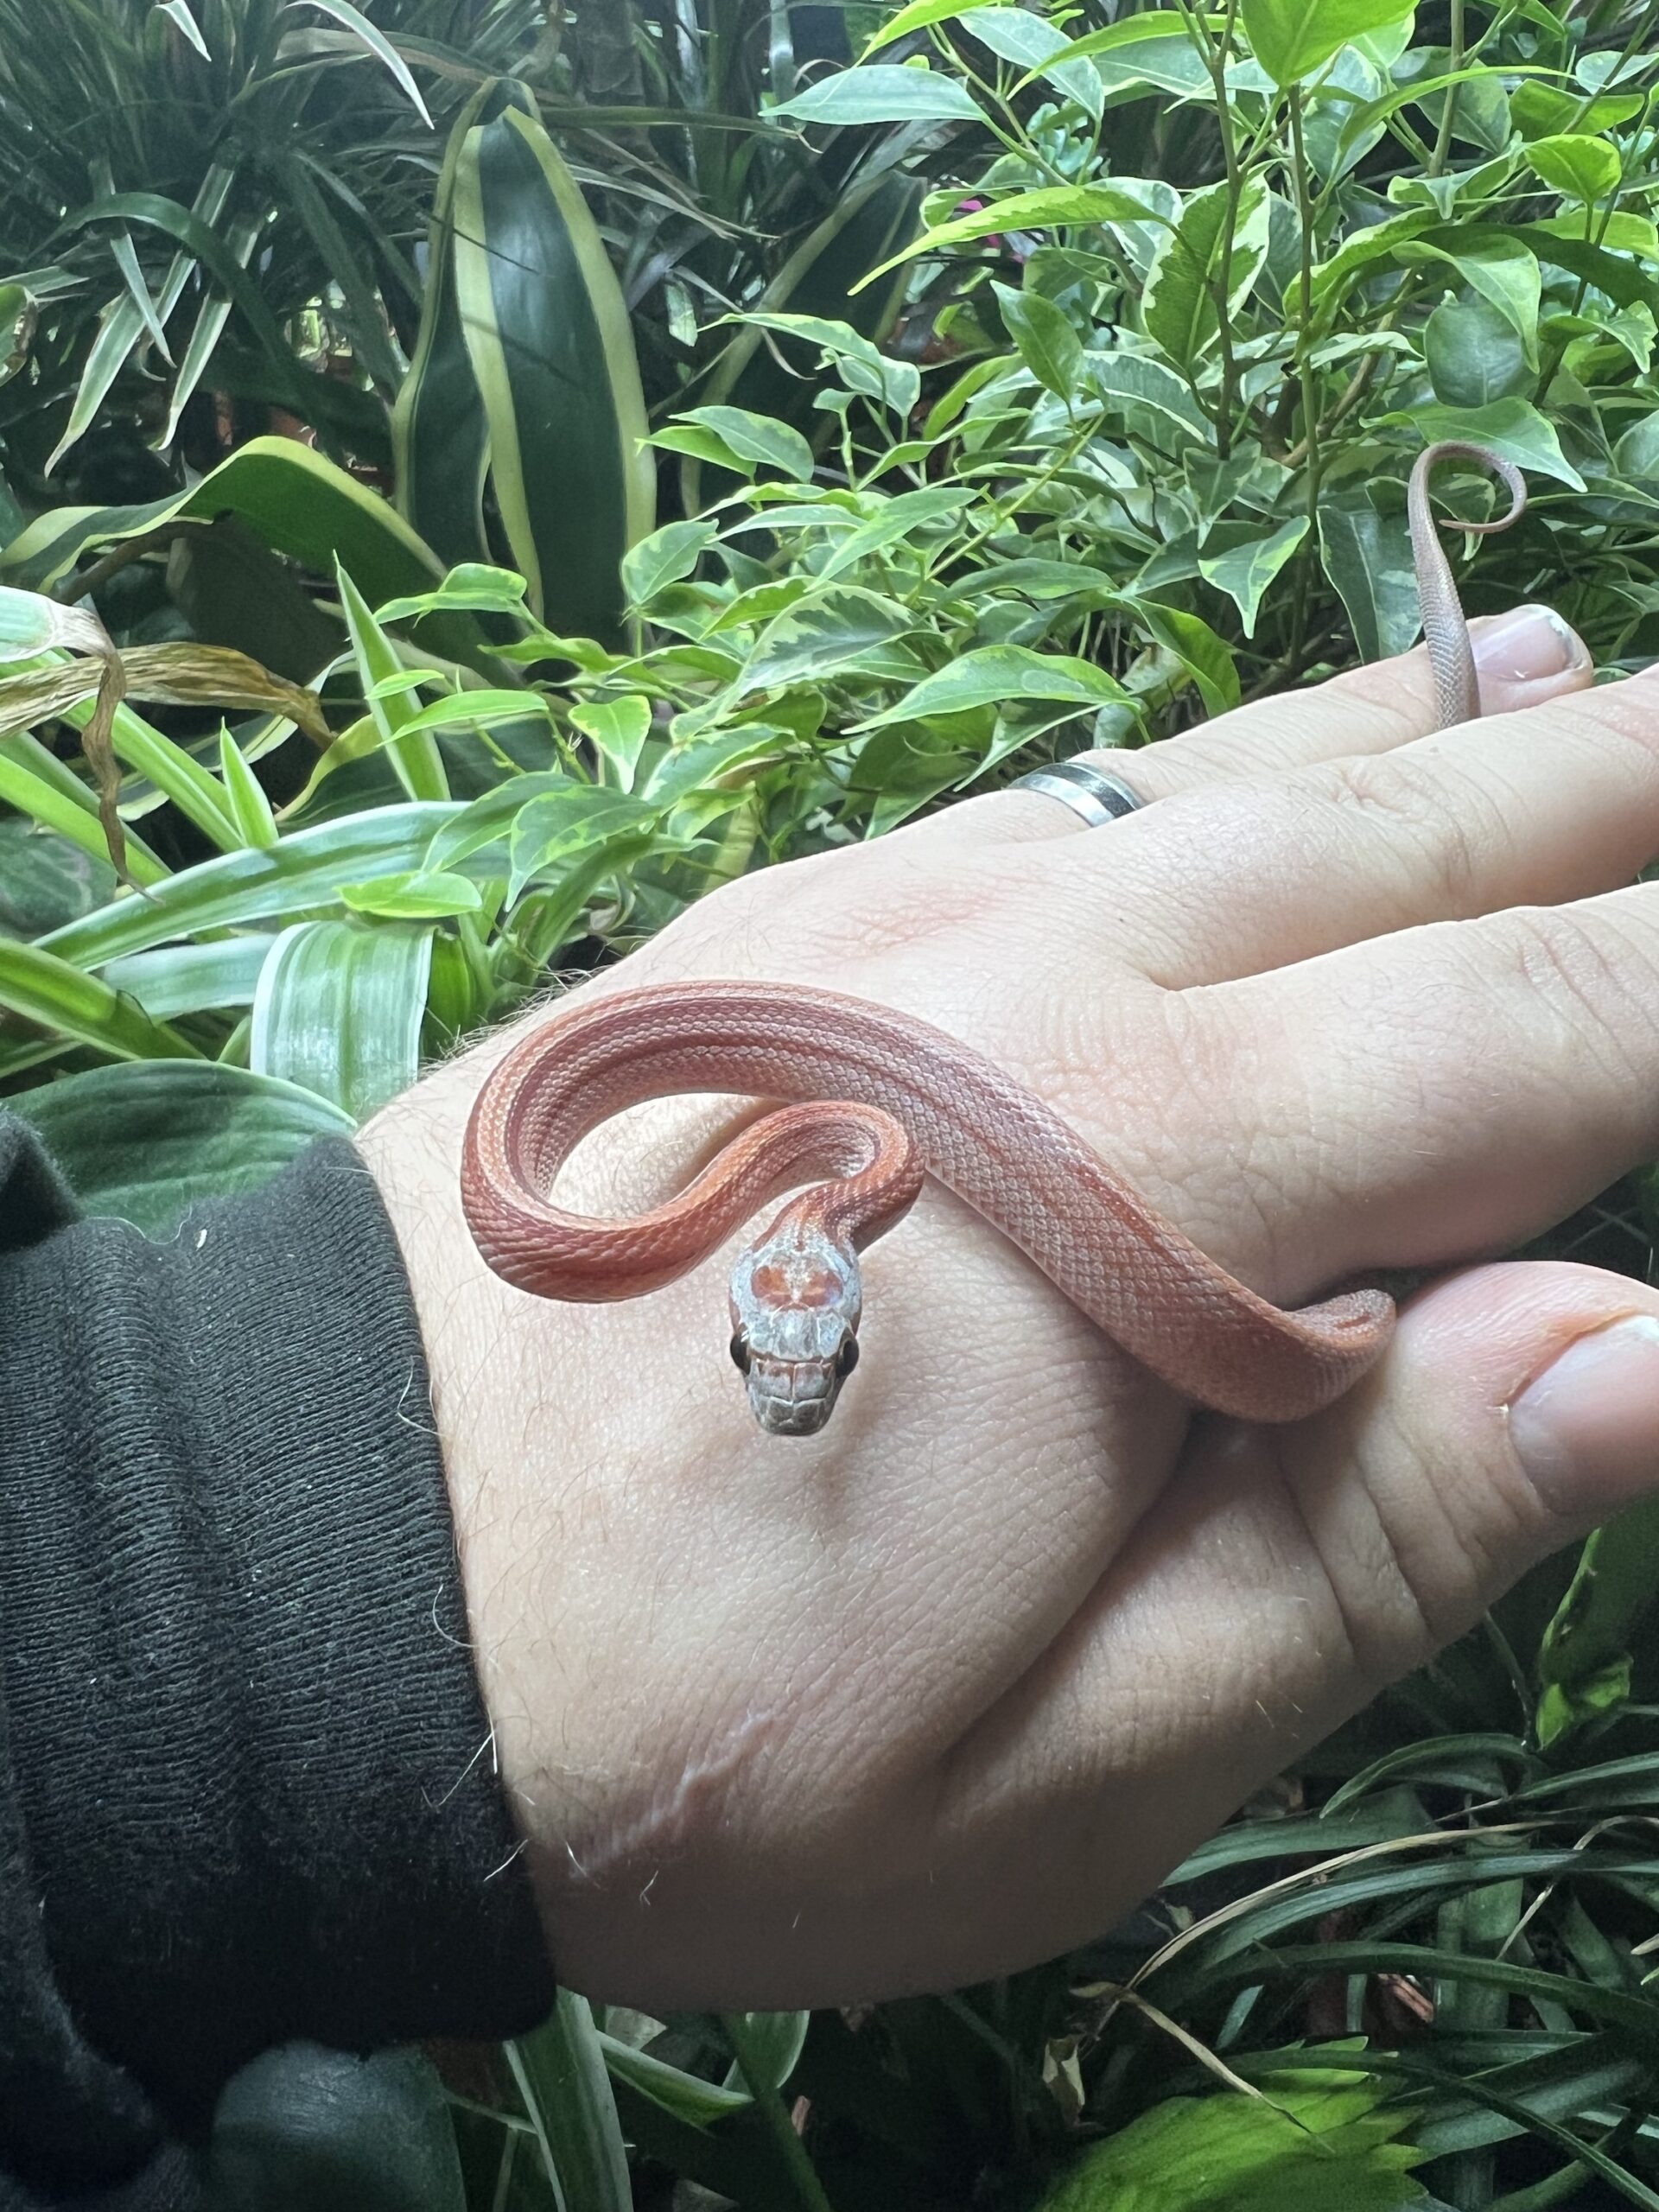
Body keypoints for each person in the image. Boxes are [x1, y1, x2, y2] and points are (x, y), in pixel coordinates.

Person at [5, 601, 1656, 2206]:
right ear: (752, 1308)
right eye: (775, 1365)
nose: (791, 1390)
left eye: (808, 1364)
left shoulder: (863, 1167)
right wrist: (235, 1657)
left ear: (822, 1289)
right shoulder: (740, 1192)